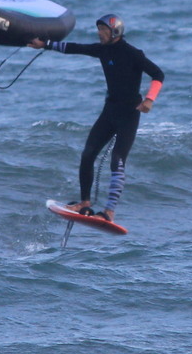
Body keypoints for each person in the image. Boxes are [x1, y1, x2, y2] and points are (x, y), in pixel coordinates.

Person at [29, 14, 163, 220]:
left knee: (117, 161)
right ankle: (84, 202)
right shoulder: (102, 50)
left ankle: (108, 212)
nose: (99, 33)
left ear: (115, 31)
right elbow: (74, 48)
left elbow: (158, 74)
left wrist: (149, 99)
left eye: (103, 30)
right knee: (87, 155)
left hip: (129, 114)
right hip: (109, 111)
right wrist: (44, 44)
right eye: (99, 29)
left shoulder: (133, 54)